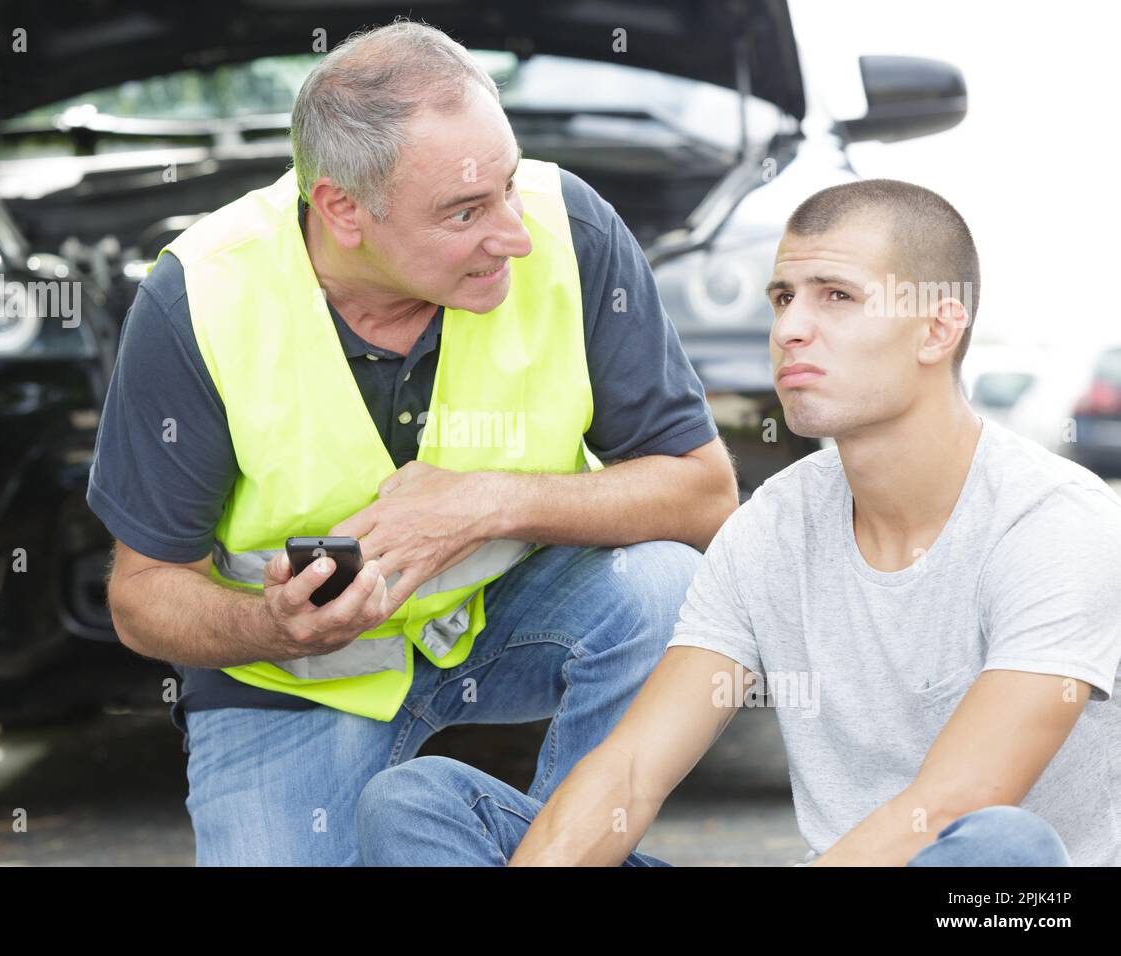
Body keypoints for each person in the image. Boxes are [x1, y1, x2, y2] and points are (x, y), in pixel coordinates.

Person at [86, 20, 738, 865]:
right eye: (465, 211)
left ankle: (565, 855)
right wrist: (279, 626)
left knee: (667, 585)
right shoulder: (200, 298)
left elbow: (704, 495)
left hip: (507, 620)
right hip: (293, 682)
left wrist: (486, 502)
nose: (514, 234)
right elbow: (142, 598)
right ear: (342, 210)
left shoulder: (568, 225)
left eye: (506, 184)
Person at [355, 178, 1121, 866]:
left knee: (1002, 846)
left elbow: (950, 806)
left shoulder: (1053, 524)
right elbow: (629, 774)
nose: (790, 328)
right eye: (783, 297)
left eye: (836, 296)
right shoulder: (774, 527)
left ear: (936, 329)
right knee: (422, 803)